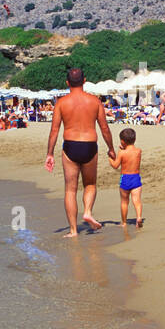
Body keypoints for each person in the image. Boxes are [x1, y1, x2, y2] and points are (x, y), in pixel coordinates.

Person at [45, 67, 115, 236]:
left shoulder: (61, 102)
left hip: (70, 147)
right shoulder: (94, 101)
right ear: (84, 81)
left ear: (67, 83)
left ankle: (73, 230)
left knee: (70, 189)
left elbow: (54, 130)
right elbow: (104, 128)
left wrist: (49, 153)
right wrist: (111, 148)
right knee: (90, 184)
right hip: (90, 145)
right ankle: (88, 212)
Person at [109, 128, 144, 228]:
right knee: (137, 200)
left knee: (124, 201)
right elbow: (130, 152)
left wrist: (110, 158)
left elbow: (116, 165)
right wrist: (124, 148)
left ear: (122, 141)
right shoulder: (138, 151)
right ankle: (139, 217)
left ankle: (124, 223)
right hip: (136, 178)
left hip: (125, 178)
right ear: (134, 139)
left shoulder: (122, 153)